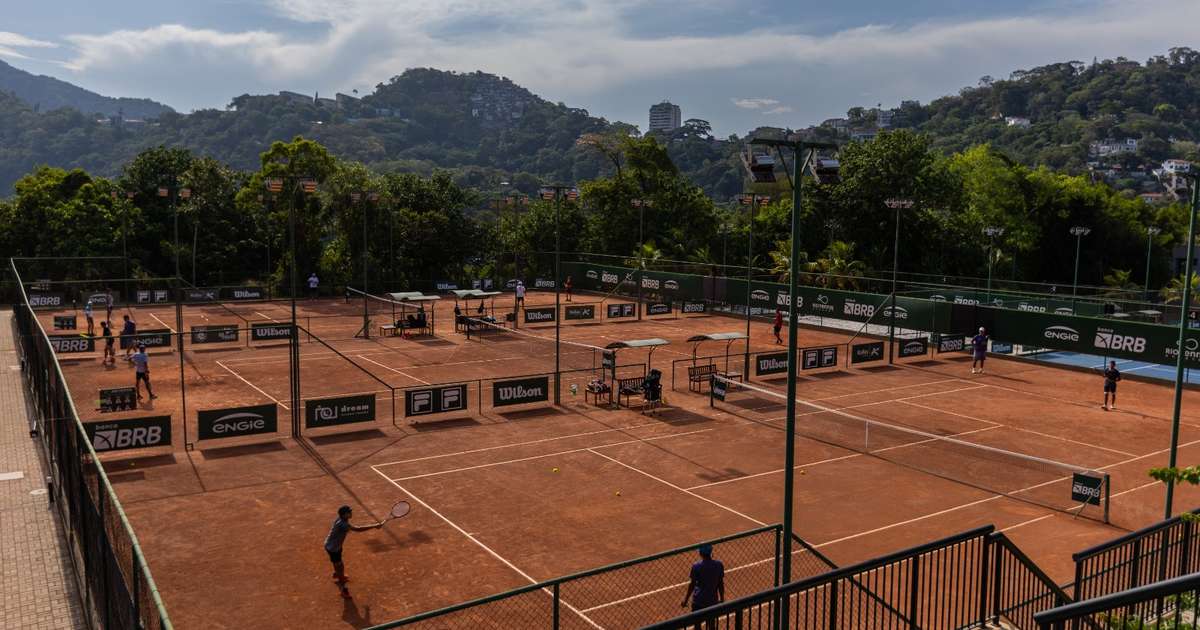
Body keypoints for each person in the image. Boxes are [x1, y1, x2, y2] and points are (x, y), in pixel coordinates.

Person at [324, 505, 381, 599]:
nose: (351, 513)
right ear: (344, 514)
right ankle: (343, 589)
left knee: (338, 564)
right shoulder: (343, 524)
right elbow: (357, 529)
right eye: (349, 512)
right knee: (340, 566)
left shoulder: (340, 519)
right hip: (333, 548)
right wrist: (375, 526)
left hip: (333, 546)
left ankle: (337, 573)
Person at [681, 543, 725, 617]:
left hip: (698, 601)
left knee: (697, 623)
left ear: (700, 553)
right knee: (712, 623)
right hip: (712, 600)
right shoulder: (719, 564)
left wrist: (686, 600)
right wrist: (722, 599)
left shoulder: (696, 566)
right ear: (711, 552)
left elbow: (692, 585)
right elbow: (720, 584)